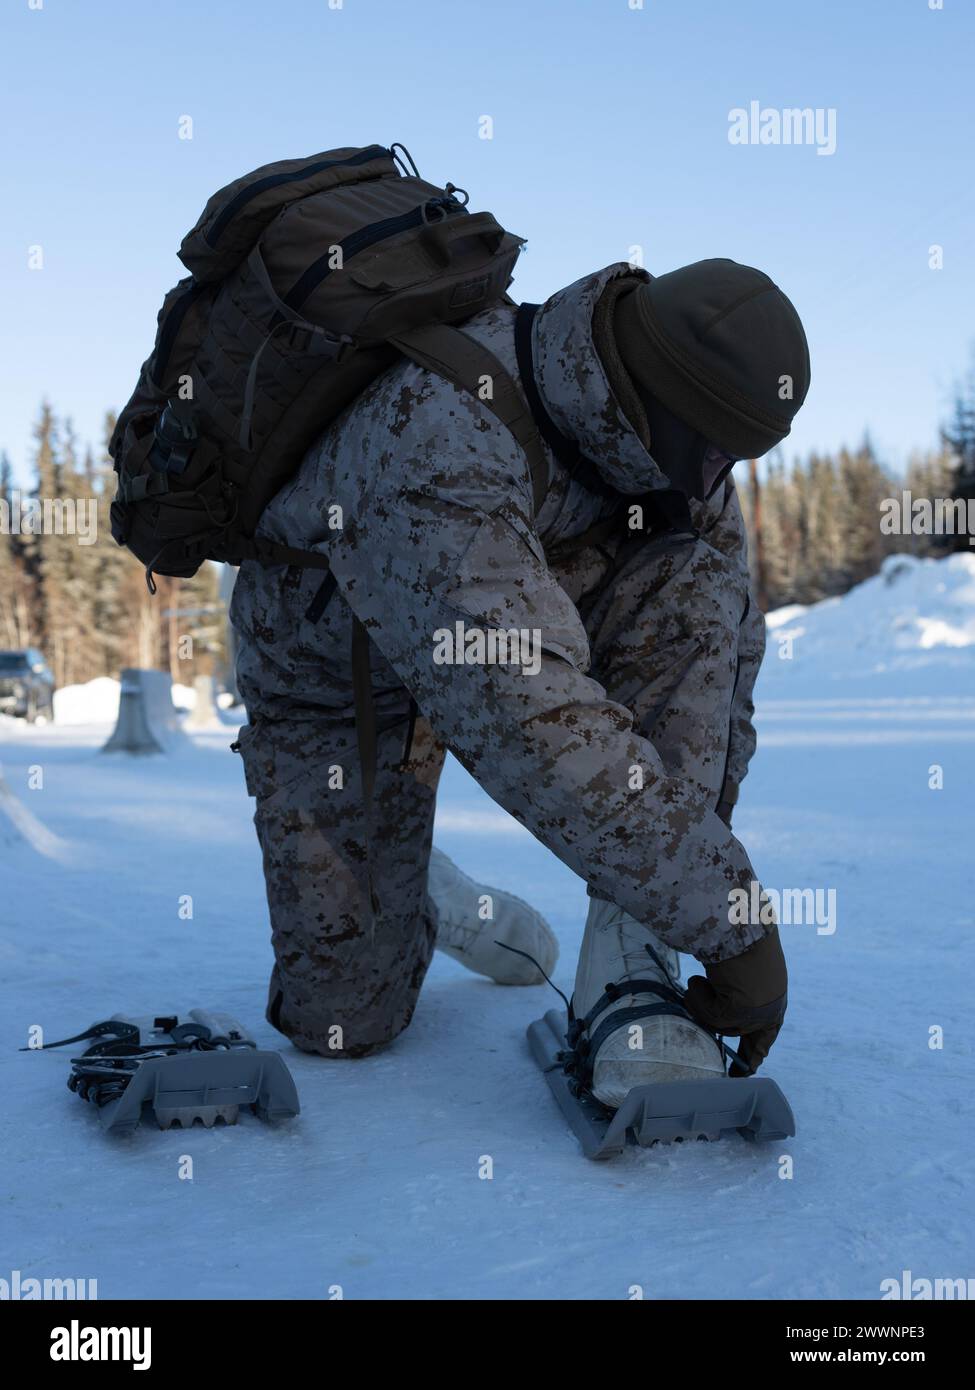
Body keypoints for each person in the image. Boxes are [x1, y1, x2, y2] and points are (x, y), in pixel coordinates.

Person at [230, 257, 810, 1106]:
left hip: (511, 630)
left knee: (691, 582)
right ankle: (421, 880)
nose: (720, 477)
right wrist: (733, 925)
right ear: (660, 398)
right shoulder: (439, 433)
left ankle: (630, 961)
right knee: (343, 1022)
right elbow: (530, 721)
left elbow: (730, 662)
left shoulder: (680, 459)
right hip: (336, 670)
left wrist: (690, 881)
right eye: (718, 449)